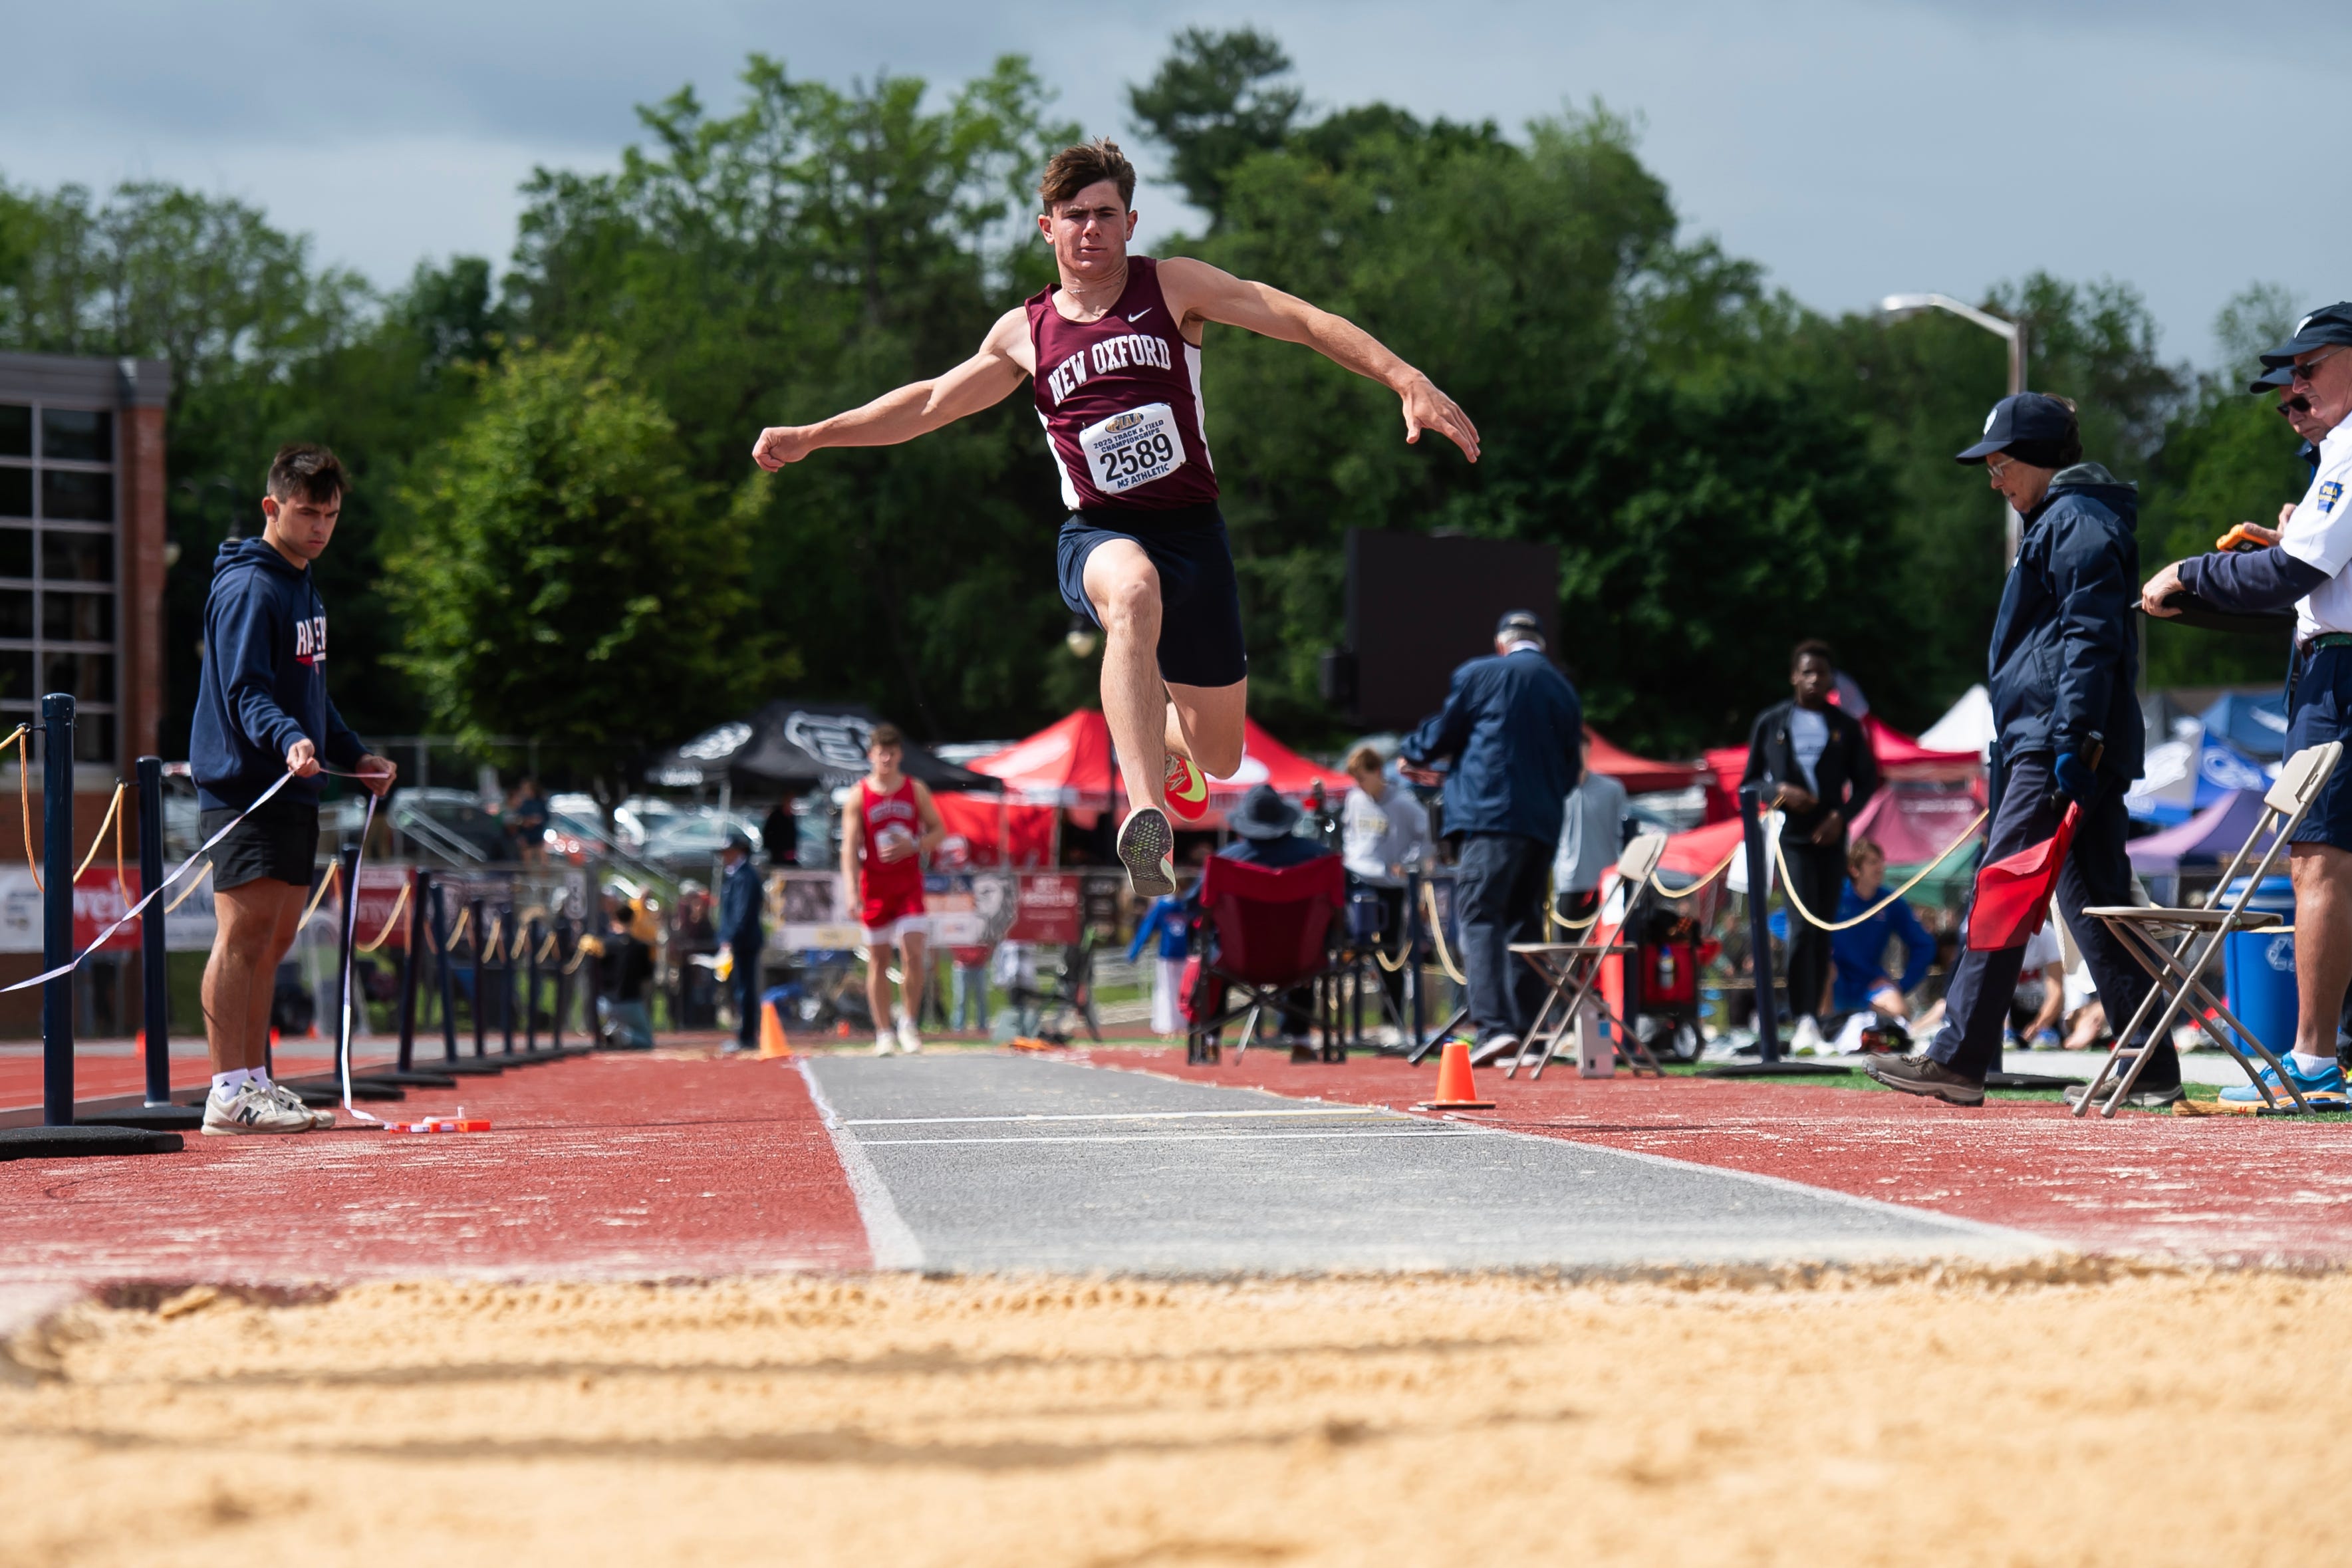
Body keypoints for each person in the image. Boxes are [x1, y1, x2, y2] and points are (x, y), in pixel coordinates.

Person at [753, 137, 1479, 898]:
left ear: (1131, 222)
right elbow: (932, 401)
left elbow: (1296, 318)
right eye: (1074, 216)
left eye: (1105, 214)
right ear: (1048, 229)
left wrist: (1405, 376)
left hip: (1194, 534)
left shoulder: (1173, 288)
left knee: (1223, 755)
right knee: (1131, 592)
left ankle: (1166, 743)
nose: (1090, 230)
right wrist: (816, 435)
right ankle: (1147, 818)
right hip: (1099, 535)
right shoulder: (1024, 333)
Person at [1869, 392, 2158, 1107]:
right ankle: (2153, 1067)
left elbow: (2093, 639)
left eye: (1999, 465)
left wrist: (2075, 740)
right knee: (2097, 905)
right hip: (2061, 737)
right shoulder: (2067, 519)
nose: (1993, 481)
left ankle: (1961, 1058)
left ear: (2035, 459)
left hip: (2056, 741)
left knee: (2003, 887)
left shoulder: (2075, 520)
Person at [2141, 303, 2352, 1107]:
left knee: (2321, 864)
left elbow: (2295, 581)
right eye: (2287, 379)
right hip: (2331, 665)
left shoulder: (2348, 449)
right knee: (2328, 865)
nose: (2291, 392)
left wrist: (2191, 573)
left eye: (2308, 368)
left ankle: (2316, 1061)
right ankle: (2321, 1056)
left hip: (2341, 673)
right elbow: (2302, 583)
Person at [190, 444, 396, 1135]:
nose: (319, 528)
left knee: (274, 938)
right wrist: (284, 739)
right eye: (307, 513)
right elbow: (245, 688)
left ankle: (254, 1082)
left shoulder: (303, 584)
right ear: (272, 507)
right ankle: (227, 1091)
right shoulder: (253, 587)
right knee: (243, 934)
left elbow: (312, 692)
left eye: (330, 515)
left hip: (296, 786)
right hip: (249, 785)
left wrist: (354, 754)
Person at [1398, 611, 1585, 1065]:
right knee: (1523, 922)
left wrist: (1412, 752)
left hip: (1489, 818)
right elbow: (1569, 768)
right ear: (1538, 643)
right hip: (1541, 825)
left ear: (1502, 644)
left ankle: (1493, 1027)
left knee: (1480, 916)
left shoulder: (1482, 672)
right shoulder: (1563, 688)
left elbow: (1441, 733)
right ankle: (1524, 1031)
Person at [1743, 641, 1878, 1048]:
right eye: (1807, 672)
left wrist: (1841, 816)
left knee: (1823, 928)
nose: (1814, 679)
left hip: (1832, 838)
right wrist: (1779, 791)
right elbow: (1749, 783)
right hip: (1792, 839)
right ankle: (1800, 1015)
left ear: (1831, 679)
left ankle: (1815, 1020)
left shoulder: (1846, 726)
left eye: (1822, 672)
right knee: (1801, 927)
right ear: (1794, 676)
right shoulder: (1771, 723)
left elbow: (1867, 782)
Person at [1191, 783, 1334, 1043]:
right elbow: (1340, 905)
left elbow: (1193, 906)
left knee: (1213, 951)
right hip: (1301, 961)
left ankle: (1211, 1039)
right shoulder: (1319, 859)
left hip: (1237, 961)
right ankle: (1300, 1038)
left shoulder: (1225, 862)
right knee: (1307, 939)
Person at [842, 724, 945, 1055]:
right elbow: (848, 847)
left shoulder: (915, 790)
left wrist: (915, 844)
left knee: (914, 952)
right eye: (880, 752)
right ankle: (883, 1031)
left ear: (900, 755)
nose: (886, 758)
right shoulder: (859, 794)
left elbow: (939, 831)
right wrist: (851, 891)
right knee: (878, 959)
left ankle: (909, 1024)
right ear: (871, 755)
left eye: (892, 752)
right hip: (875, 887)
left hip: (908, 886)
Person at [1339, 744, 1431, 1032]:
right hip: (1356, 877)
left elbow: (1426, 839)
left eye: (1363, 778)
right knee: (1351, 946)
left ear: (1378, 772)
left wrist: (1407, 862)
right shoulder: (1355, 798)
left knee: (1390, 953)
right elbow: (1349, 832)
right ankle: (1348, 1023)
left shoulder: (1404, 803)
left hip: (1388, 884)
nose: (1360, 785)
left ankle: (1391, 1021)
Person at [1828, 837, 1933, 1026]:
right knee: (1824, 970)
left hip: (1870, 982)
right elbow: (1780, 921)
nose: (1880, 868)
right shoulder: (1834, 896)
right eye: (1872, 862)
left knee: (1900, 1015)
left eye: (1881, 862)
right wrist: (1820, 954)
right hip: (1836, 983)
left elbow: (1924, 945)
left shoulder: (1889, 901)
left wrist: (1903, 985)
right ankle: (1820, 1026)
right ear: (1854, 869)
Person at [1553, 739, 1630, 926]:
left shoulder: (1612, 789)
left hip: (1606, 882)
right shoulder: (1554, 787)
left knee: (1607, 944)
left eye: (1584, 750)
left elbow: (1626, 832)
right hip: (1567, 881)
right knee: (1568, 947)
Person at [716, 834, 765, 1054]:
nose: (725, 857)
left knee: (745, 989)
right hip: (739, 941)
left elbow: (741, 912)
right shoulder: (736, 875)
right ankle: (744, 1035)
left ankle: (747, 1037)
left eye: (729, 852)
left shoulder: (745, 877)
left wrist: (730, 938)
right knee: (740, 988)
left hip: (744, 942)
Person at [1126, 892, 1193, 1035]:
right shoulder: (1162, 906)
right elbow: (1147, 927)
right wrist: (1135, 951)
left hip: (1185, 956)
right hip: (1167, 956)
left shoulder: (1187, 905)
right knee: (1166, 991)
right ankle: (1167, 1026)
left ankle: (1183, 1025)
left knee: (1183, 992)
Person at [504, 777, 549, 865]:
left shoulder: (540, 803)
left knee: (542, 856)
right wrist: (525, 822)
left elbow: (545, 818)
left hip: (537, 835)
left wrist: (537, 821)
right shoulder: (523, 804)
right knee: (527, 857)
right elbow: (518, 819)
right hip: (526, 836)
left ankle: (543, 876)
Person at [761, 797, 800, 866]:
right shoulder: (776, 816)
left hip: (789, 852)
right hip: (778, 851)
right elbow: (768, 832)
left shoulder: (791, 817)